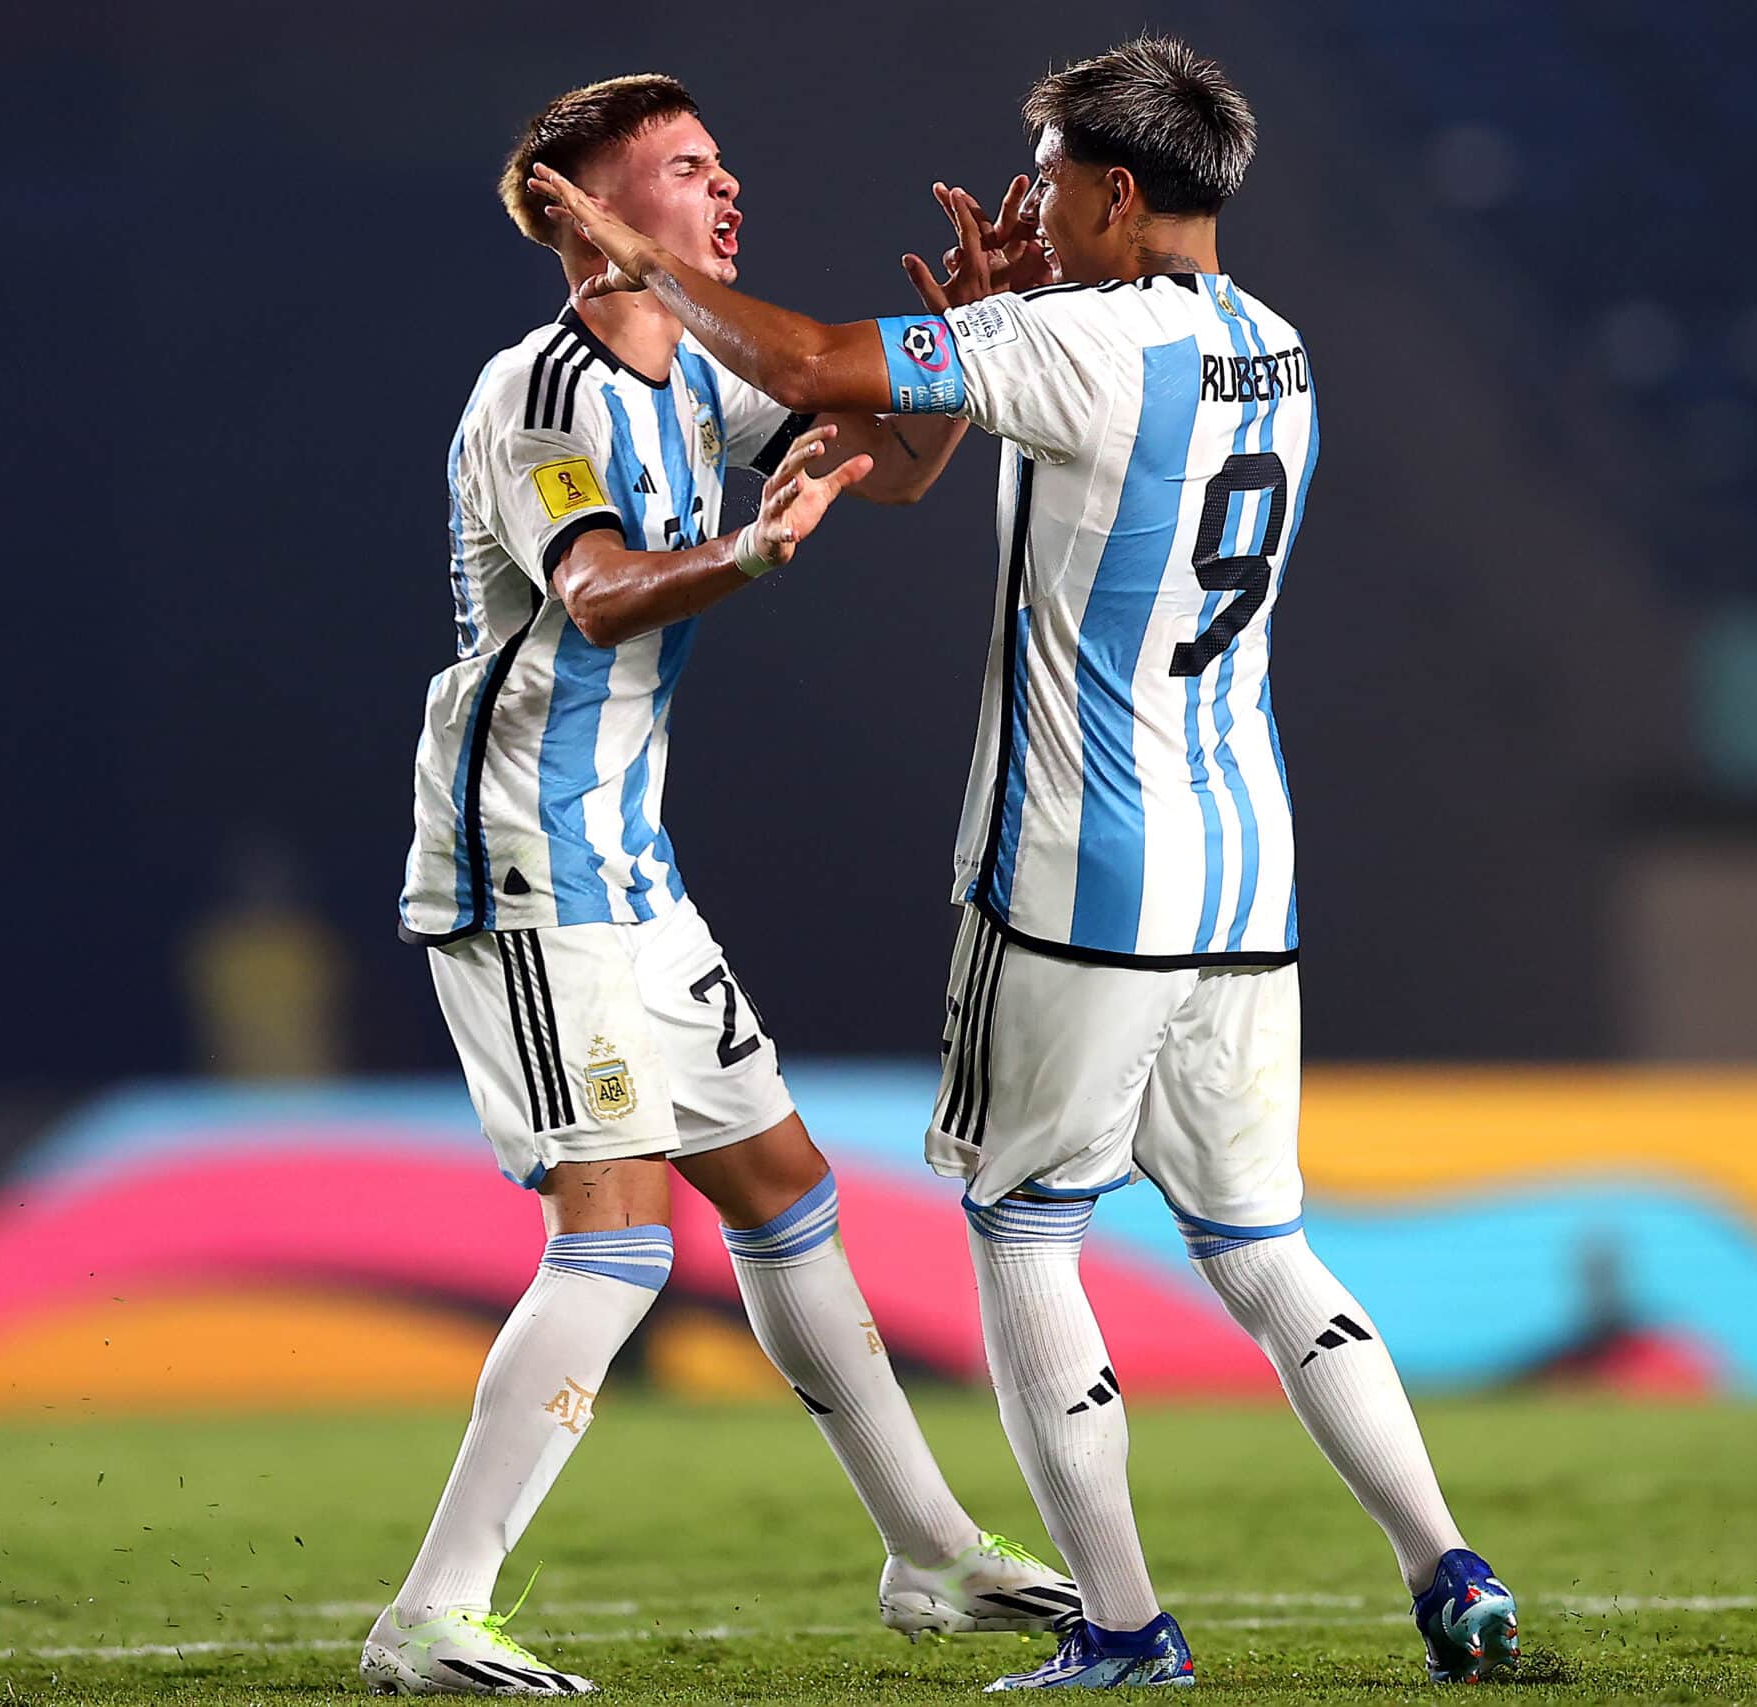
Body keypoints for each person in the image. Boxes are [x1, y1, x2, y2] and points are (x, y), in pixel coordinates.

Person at [532, 36, 1520, 1691]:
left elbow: (818, 359)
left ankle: (1126, 1630)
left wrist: (648, 265)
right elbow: (937, 417)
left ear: (1117, 192)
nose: (1035, 205)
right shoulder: (1275, 348)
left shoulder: (1073, 338)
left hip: (1081, 873)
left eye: (1055, 178)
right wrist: (986, 331)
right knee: (1262, 1244)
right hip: (1245, 876)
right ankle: (1451, 1564)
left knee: (1022, 1225)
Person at [368, 74, 1076, 1698]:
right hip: (528, 866)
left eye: (722, 161)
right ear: (581, 206)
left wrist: (964, 352)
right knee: (614, 1245)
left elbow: (888, 469)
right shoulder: (535, 398)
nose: (727, 185)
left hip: (631, 867)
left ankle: (930, 1551)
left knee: (783, 1190)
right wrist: (751, 557)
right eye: (686, 169)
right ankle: (433, 1612)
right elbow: (604, 592)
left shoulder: (690, 371)